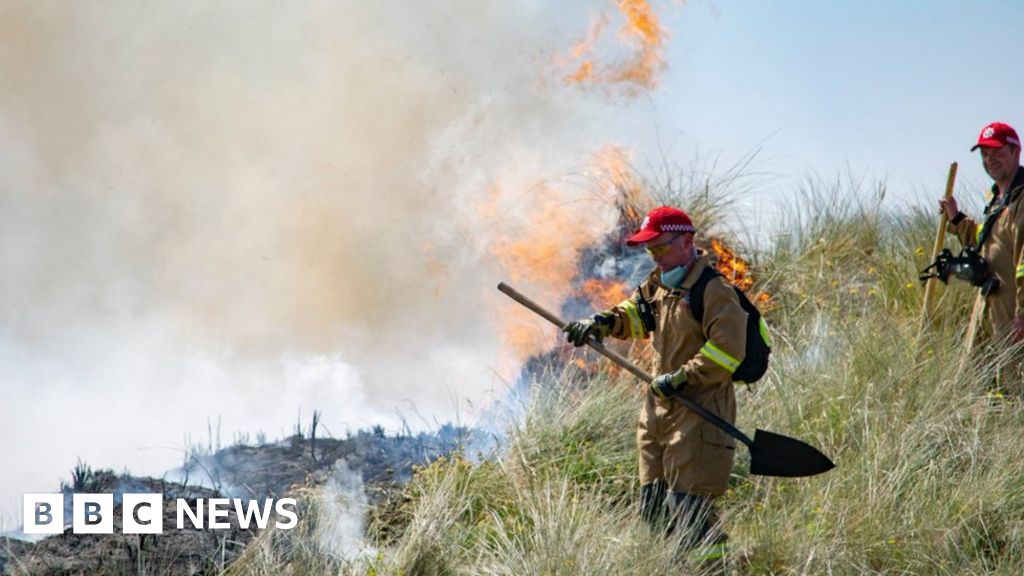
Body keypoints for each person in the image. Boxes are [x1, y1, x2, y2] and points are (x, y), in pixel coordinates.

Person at [563, 206, 747, 559]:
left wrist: (681, 378)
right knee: (654, 507)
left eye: (661, 247)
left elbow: (728, 352)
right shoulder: (659, 284)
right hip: (658, 414)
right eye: (650, 250)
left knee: (691, 515)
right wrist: (600, 322)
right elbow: (636, 314)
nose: (656, 256)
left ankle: (714, 568)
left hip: (700, 415)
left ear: (686, 241)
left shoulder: (714, 291)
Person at [941, 122, 1024, 374]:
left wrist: (1022, 315)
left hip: (1013, 311)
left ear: (1016, 151)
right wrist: (956, 218)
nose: (990, 159)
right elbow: (987, 241)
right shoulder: (997, 199)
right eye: (985, 154)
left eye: (997, 152)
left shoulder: (1022, 199)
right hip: (988, 305)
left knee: (1013, 381)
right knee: (974, 380)